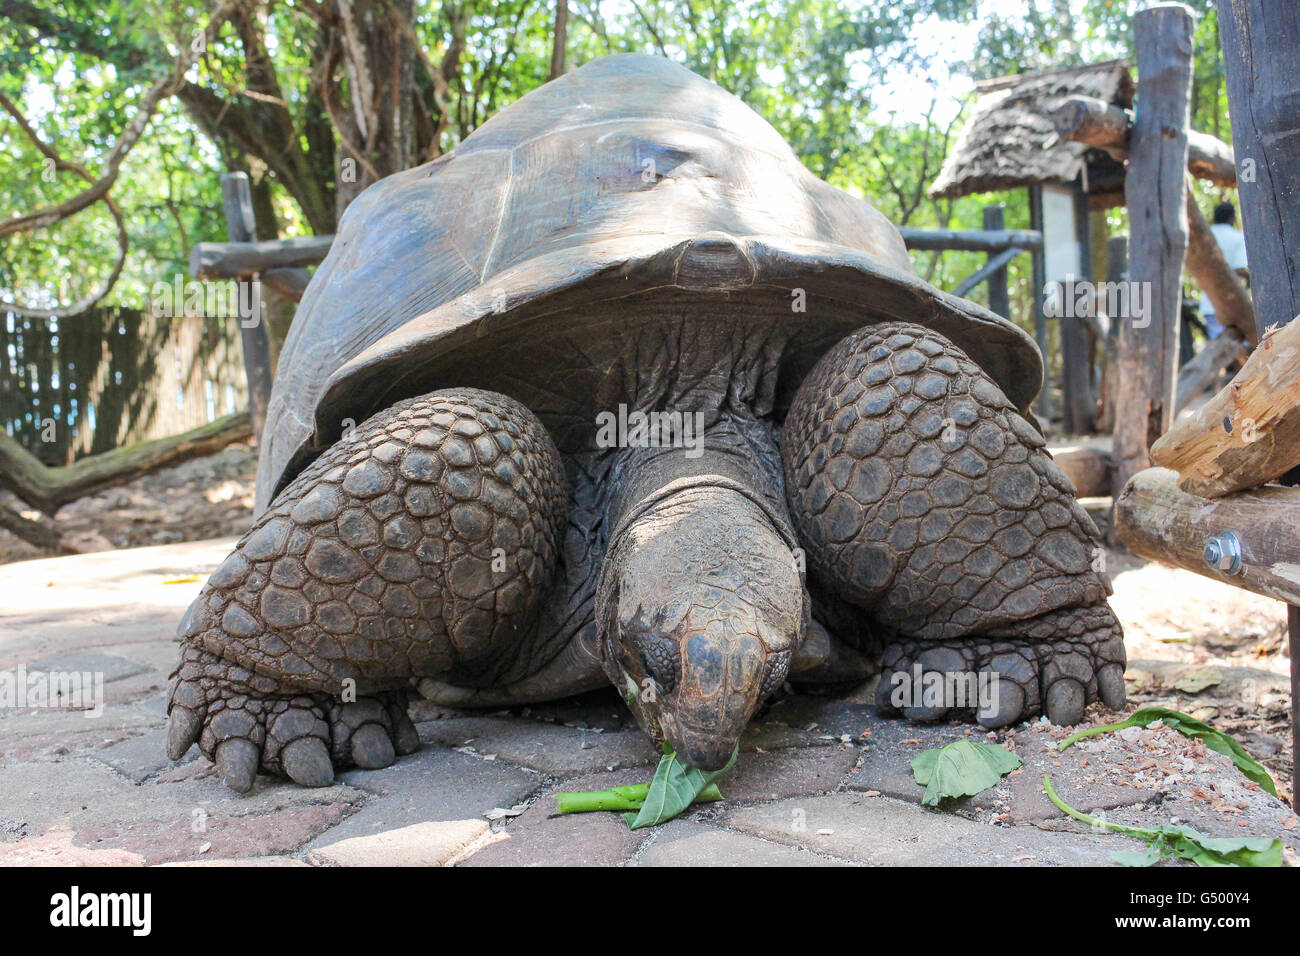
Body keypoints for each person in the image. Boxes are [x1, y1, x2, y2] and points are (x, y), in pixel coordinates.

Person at [1198, 201, 1250, 338]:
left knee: (1219, 352)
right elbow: (1239, 269)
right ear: (1232, 217)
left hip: (1210, 304)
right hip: (1235, 306)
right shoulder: (1237, 237)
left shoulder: (1203, 237)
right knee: (1243, 353)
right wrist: (1250, 281)